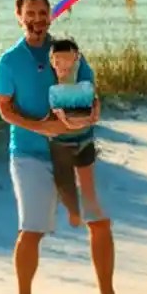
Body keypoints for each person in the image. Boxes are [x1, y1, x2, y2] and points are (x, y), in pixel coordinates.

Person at [0, 0, 134, 294]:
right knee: (32, 229)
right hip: (30, 155)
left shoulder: (69, 51)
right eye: (30, 14)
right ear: (19, 17)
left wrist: (94, 109)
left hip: (75, 149)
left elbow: (89, 92)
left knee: (99, 222)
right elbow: (5, 110)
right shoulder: (9, 62)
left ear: (50, 15)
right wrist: (43, 127)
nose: (37, 20)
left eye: (43, 13)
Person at [46, 37, 103, 228]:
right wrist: (70, 123)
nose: (63, 64)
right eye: (58, 60)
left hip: (84, 138)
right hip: (61, 141)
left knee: (86, 178)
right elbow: (58, 113)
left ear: (76, 58)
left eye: (68, 59)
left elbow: (93, 98)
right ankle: (73, 211)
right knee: (65, 181)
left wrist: (92, 113)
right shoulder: (52, 84)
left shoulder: (84, 74)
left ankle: (90, 208)